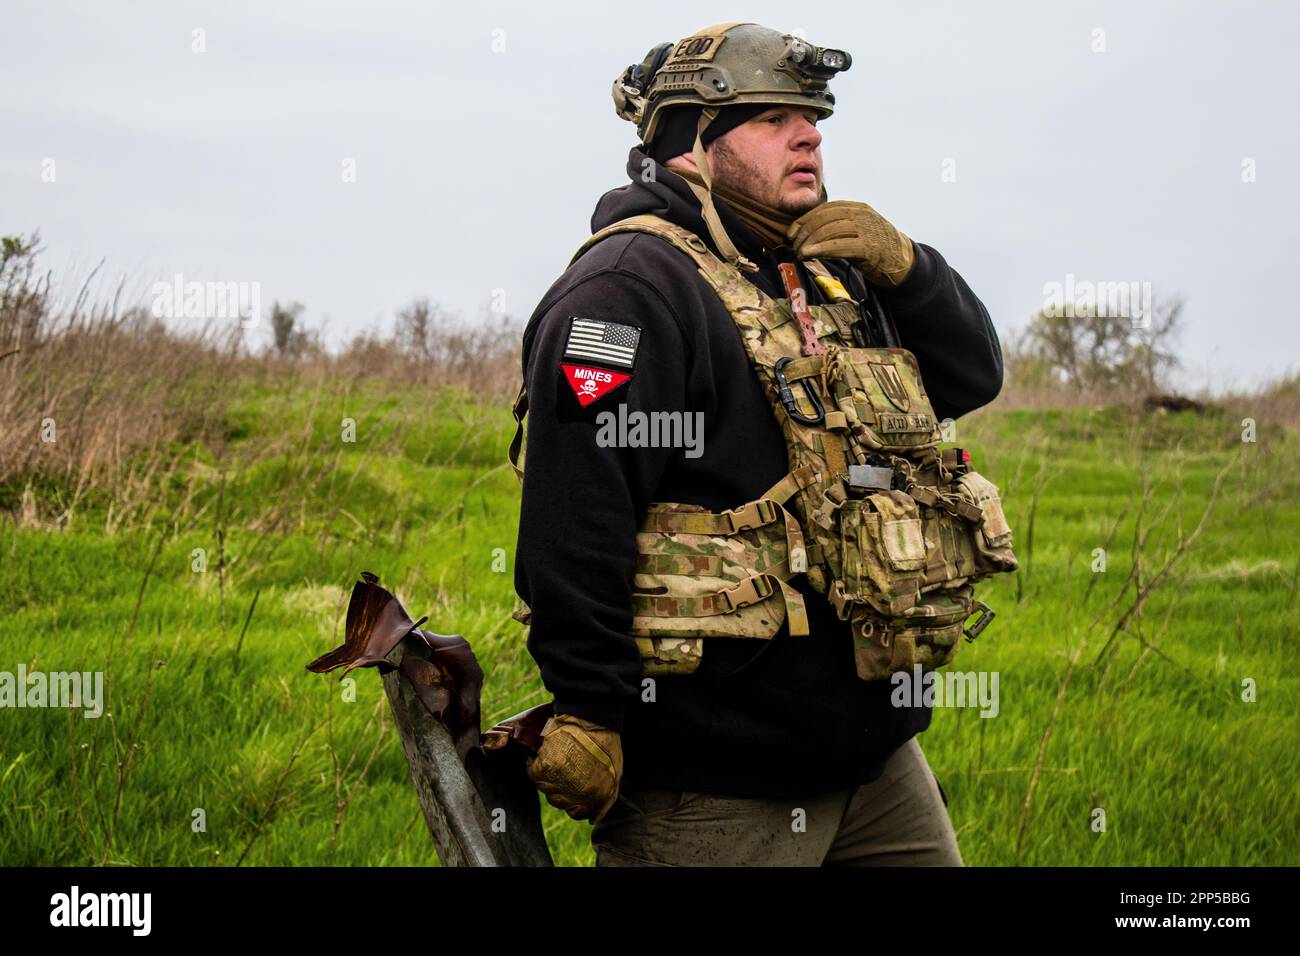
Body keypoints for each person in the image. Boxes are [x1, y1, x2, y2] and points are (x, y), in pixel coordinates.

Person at [509, 22, 1009, 866]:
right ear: (691, 145)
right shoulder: (625, 293)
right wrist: (590, 709)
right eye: (773, 116)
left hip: (875, 763)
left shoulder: (824, 267)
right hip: (712, 783)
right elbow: (573, 514)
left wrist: (909, 269)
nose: (809, 131)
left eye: (813, 114)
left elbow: (970, 378)